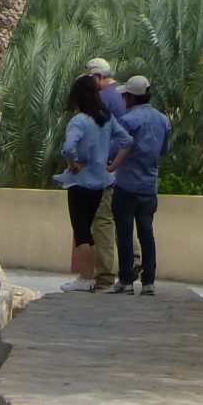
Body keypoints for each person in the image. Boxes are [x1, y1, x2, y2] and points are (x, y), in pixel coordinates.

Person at [60, 75, 132, 292]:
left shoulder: (79, 121)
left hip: (80, 182)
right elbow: (127, 141)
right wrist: (112, 165)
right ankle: (89, 277)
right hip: (100, 182)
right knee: (89, 229)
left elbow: (68, 146)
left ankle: (85, 278)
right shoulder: (107, 119)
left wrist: (72, 162)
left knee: (81, 230)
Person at [110, 75, 172, 294]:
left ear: (131, 98)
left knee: (125, 233)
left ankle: (126, 280)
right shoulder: (163, 120)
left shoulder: (126, 121)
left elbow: (114, 150)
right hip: (148, 187)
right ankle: (149, 282)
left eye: (126, 95)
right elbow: (164, 150)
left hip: (126, 185)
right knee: (147, 233)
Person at [81, 57, 126, 289]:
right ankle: (134, 264)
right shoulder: (127, 94)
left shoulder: (103, 99)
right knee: (126, 219)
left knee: (102, 221)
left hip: (106, 170)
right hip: (129, 172)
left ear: (99, 77)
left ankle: (105, 276)